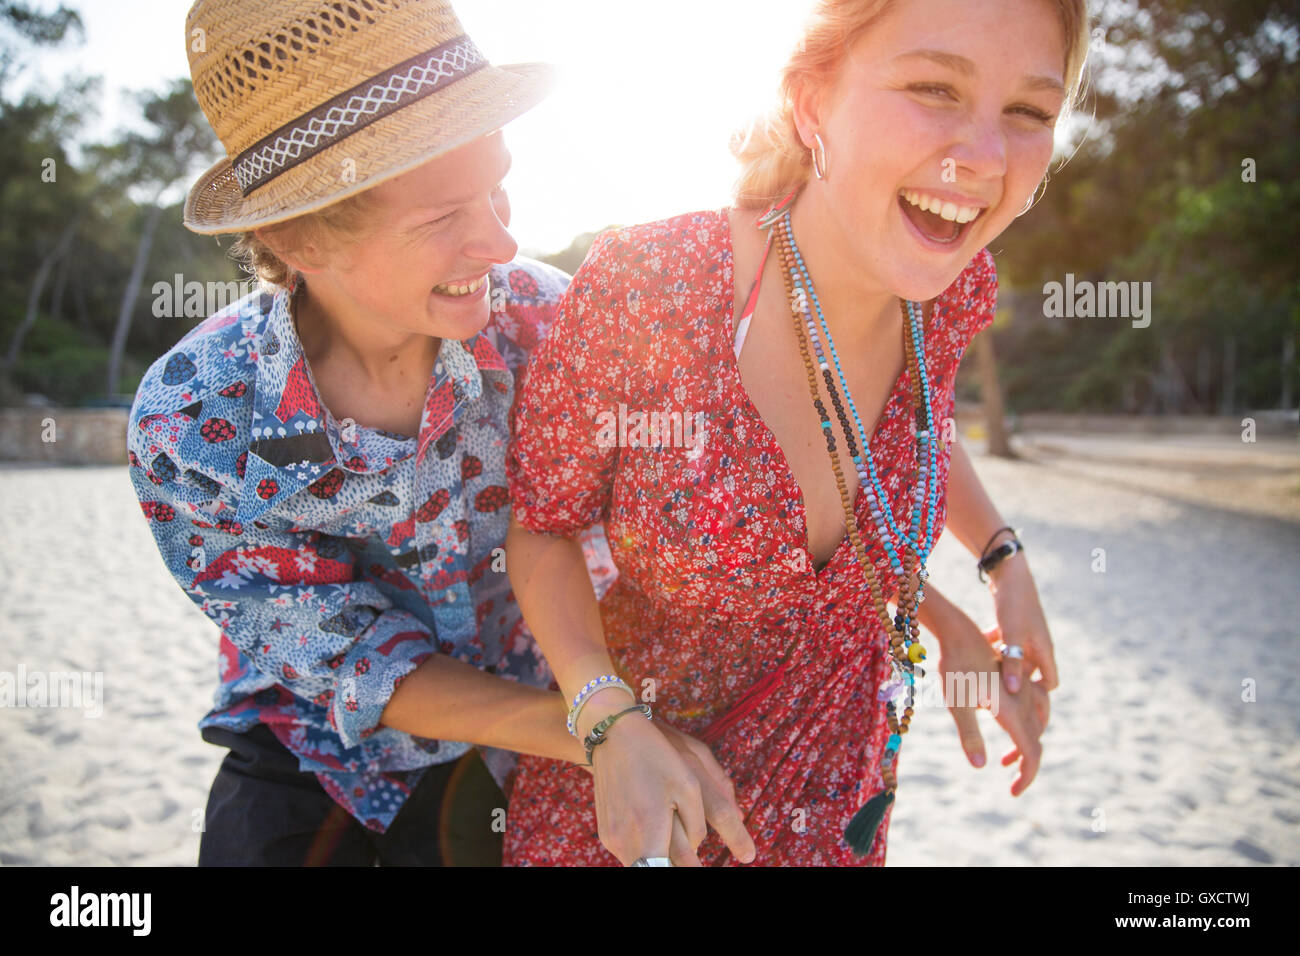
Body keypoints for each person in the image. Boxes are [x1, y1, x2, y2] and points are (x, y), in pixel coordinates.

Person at [501, 0, 1084, 866]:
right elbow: (542, 528)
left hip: (840, 811)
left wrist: (998, 566)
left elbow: (909, 428)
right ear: (811, 102)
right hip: (635, 820)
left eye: (1030, 113)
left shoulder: (951, 291)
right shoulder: (655, 285)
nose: (986, 158)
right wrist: (608, 718)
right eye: (934, 87)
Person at [126, 0, 613, 866]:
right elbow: (356, 659)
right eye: (440, 218)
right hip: (310, 752)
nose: (501, 242)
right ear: (294, 234)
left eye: (498, 186)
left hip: (535, 740)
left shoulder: (550, 324)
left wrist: (609, 717)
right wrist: (602, 733)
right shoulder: (196, 420)